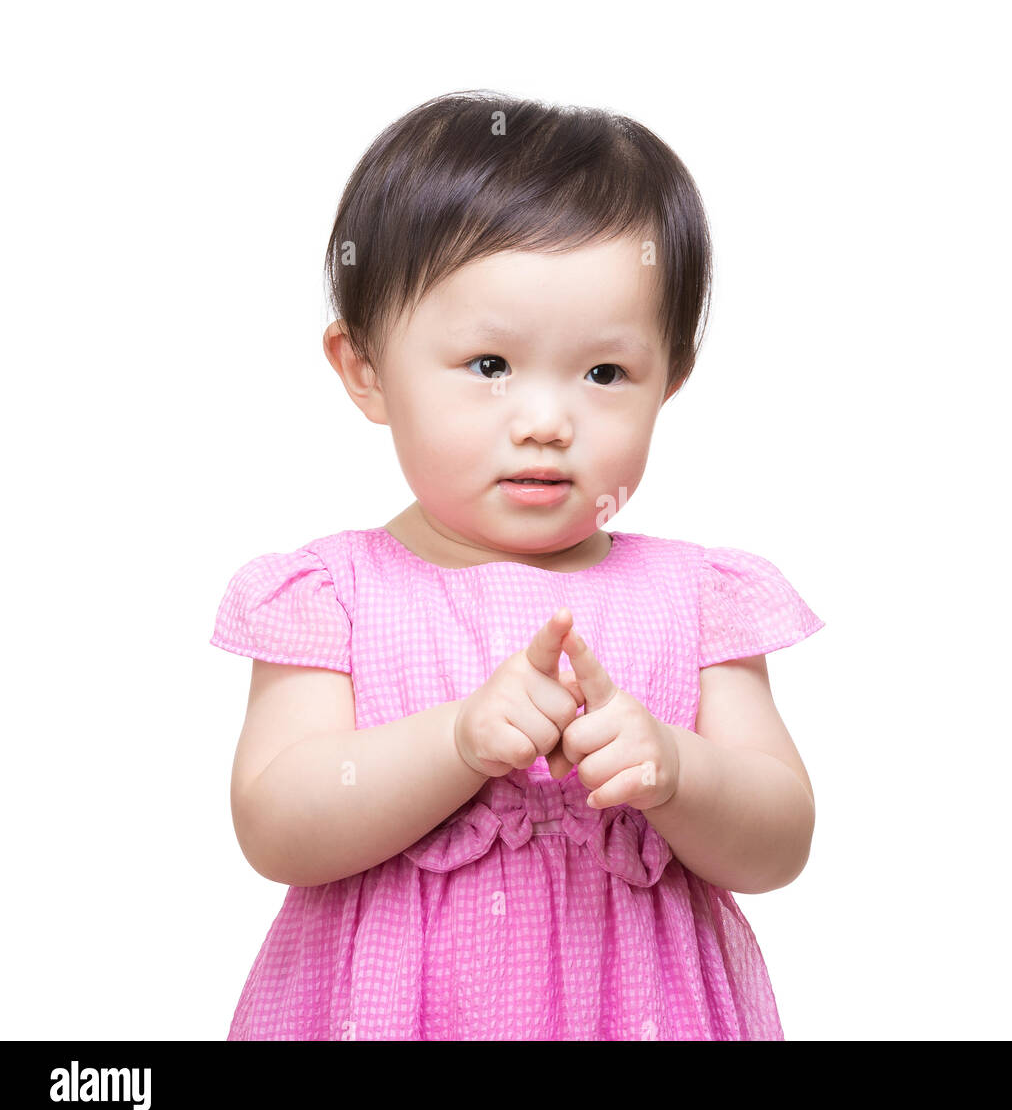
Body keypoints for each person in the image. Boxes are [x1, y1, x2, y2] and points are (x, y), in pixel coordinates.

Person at [210, 89, 826, 1040]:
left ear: (672, 375)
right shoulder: (332, 595)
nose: (547, 419)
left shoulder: (698, 597)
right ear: (365, 369)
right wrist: (453, 742)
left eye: (605, 373)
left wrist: (677, 771)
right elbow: (279, 822)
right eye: (490, 365)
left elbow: (780, 836)